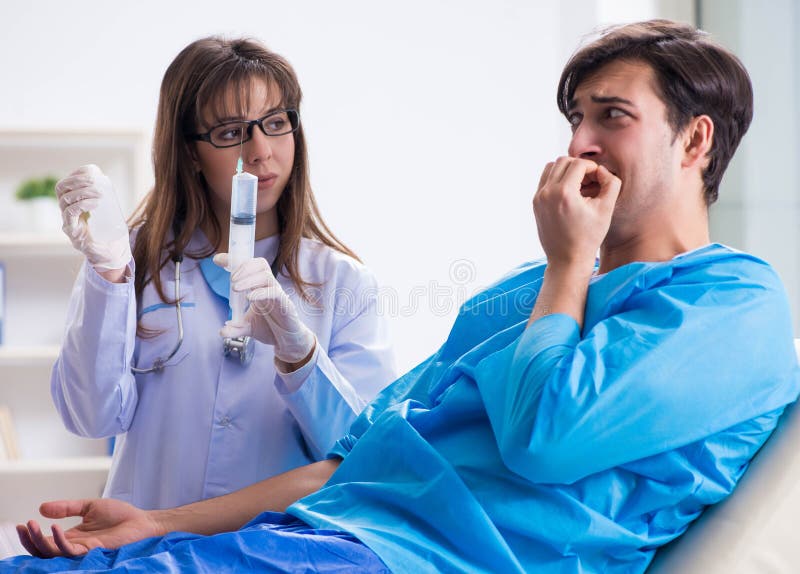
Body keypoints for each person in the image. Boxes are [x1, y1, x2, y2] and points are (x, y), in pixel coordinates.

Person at [8, 19, 799, 574]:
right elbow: (360, 453)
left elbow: (546, 437)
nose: (578, 143)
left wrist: (570, 262)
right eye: (575, 117)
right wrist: (158, 524)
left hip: (417, 556)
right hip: (322, 534)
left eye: (611, 117)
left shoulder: (730, 301)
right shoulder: (515, 297)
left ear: (696, 141)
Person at [48, 36, 397, 511]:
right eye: (231, 133)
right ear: (189, 151)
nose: (260, 151)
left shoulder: (344, 282)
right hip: (148, 553)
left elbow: (365, 459)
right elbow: (91, 417)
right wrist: (108, 273)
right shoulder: (133, 260)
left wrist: (302, 358)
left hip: (273, 555)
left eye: (276, 124)